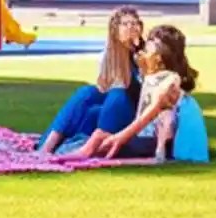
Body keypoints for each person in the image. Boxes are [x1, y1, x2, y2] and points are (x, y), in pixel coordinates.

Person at [63, 24, 198, 160]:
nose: (146, 45)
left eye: (151, 42)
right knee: (95, 120)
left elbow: (162, 117)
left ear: (162, 52)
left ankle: (80, 154)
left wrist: (159, 149)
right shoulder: (150, 77)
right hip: (141, 136)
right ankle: (76, 150)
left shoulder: (171, 79)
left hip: (150, 141)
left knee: (101, 137)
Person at [36, 7, 144, 153]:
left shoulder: (146, 53)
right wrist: (121, 52)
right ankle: (49, 143)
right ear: (115, 30)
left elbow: (129, 87)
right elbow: (104, 86)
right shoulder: (110, 54)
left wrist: (133, 51)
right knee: (87, 94)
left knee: (117, 93)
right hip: (113, 108)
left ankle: (85, 147)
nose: (131, 28)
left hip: (134, 111)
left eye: (134, 23)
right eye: (125, 24)